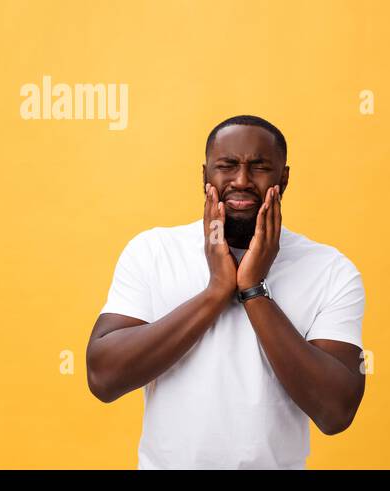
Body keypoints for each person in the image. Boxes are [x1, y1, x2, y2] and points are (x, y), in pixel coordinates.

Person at [85, 115, 366, 469]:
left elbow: (336, 411)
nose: (242, 180)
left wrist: (253, 290)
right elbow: (103, 378)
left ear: (284, 177)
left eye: (260, 167)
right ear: (205, 175)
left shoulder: (330, 270)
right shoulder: (153, 251)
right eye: (227, 165)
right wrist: (216, 292)